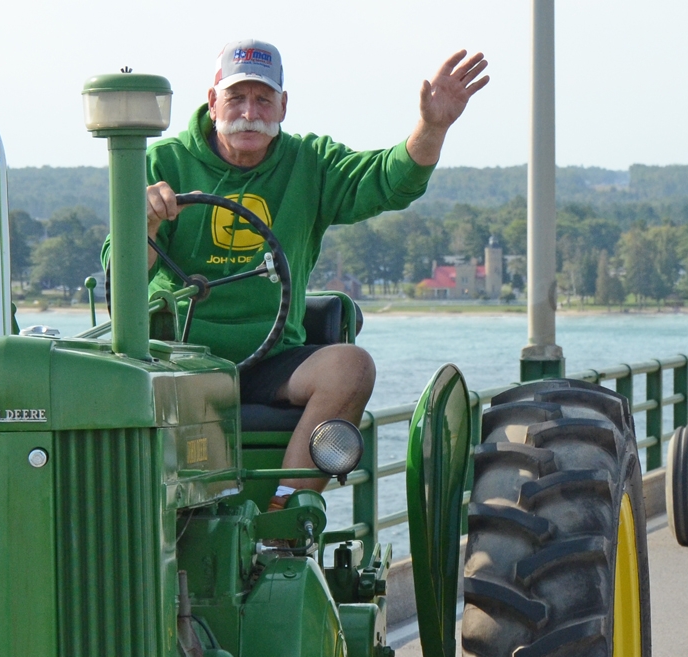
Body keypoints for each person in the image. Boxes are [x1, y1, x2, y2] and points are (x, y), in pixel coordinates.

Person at [132, 40, 487, 504]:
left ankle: (285, 514)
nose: (249, 112)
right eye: (237, 97)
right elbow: (123, 275)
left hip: (270, 357)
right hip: (182, 359)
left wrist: (431, 126)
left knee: (351, 366)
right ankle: (188, 522)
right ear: (213, 100)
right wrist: (146, 222)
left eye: (263, 99)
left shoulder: (309, 163)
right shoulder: (162, 163)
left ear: (283, 105)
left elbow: (386, 181)